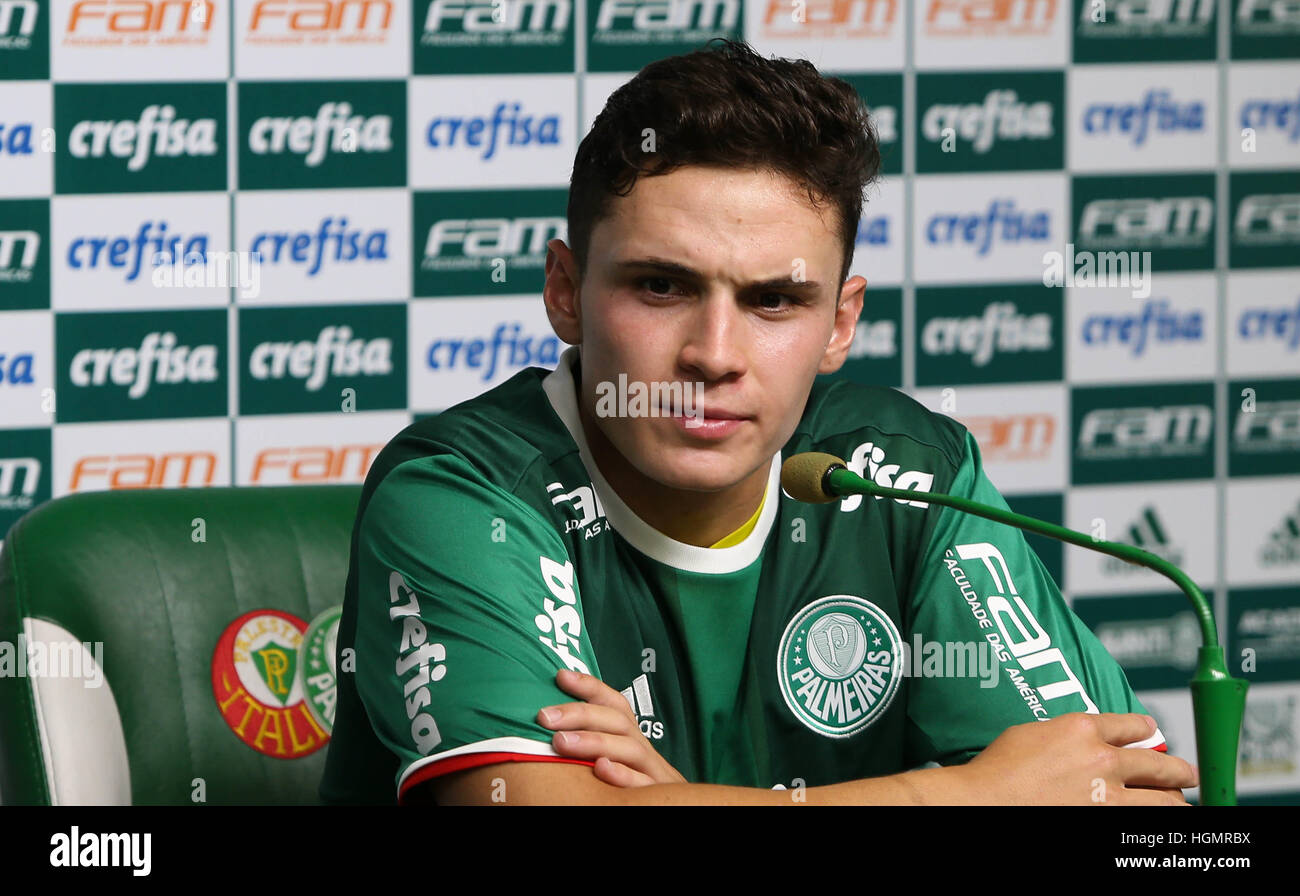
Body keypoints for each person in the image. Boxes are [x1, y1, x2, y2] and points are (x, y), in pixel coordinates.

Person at [319, 39, 1198, 806]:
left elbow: (1127, 811)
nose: (714, 354)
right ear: (565, 291)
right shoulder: (464, 490)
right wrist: (961, 795)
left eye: (775, 300)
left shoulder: (906, 472)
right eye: (661, 286)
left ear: (840, 325)